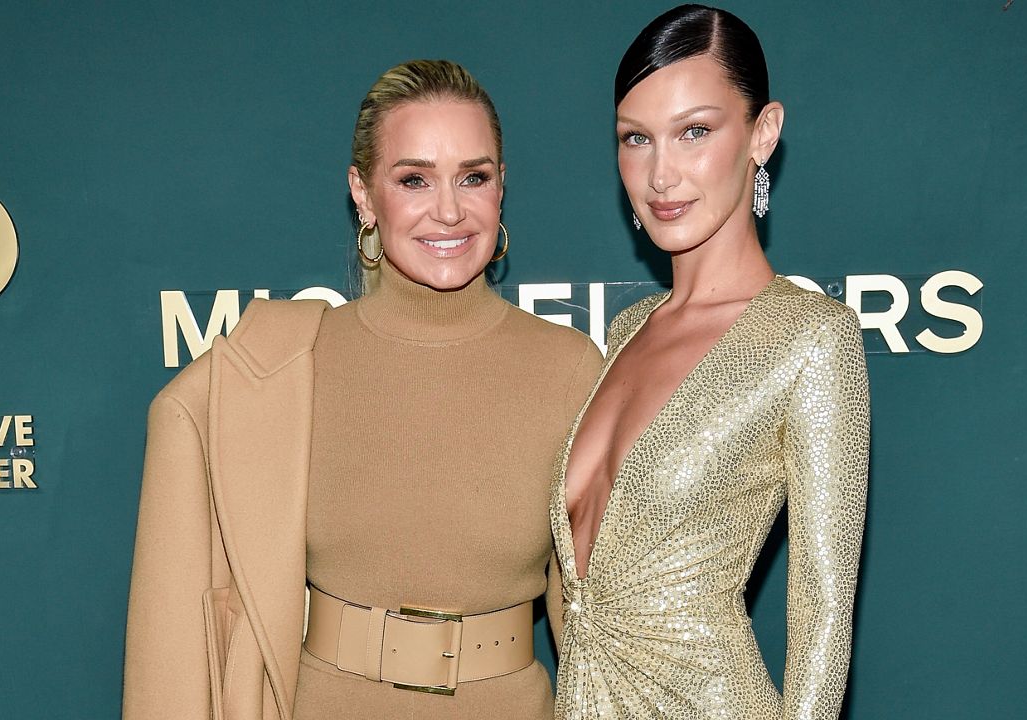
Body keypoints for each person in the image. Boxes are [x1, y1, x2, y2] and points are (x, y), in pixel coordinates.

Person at [123, 59, 602, 720]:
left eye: (474, 176)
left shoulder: (570, 367)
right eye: (414, 179)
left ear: (500, 189)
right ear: (363, 193)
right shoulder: (285, 367)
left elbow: (601, 627)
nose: (449, 210)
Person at [551, 6, 870, 719]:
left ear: (763, 133)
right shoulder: (628, 330)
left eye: (695, 131)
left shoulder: (812, 338)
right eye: (636, 139)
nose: (661, 173)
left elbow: (823, 612)